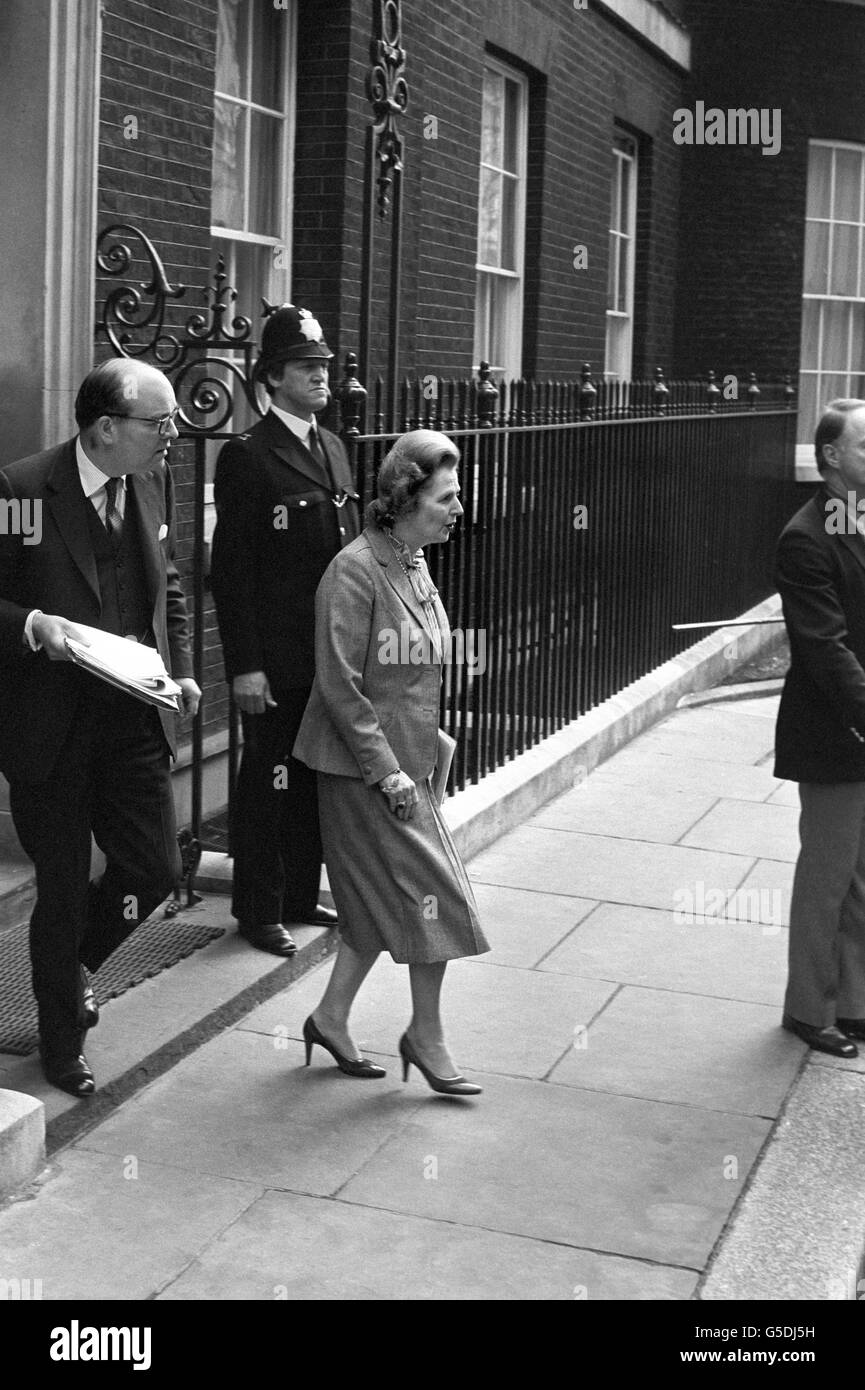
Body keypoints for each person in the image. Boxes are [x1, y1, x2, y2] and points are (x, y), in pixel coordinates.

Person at [0, 359, 201, 1096]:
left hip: (130, 721)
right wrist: (31, 623)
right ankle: (60, 1038)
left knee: (154, 869)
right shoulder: (20, 492)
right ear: (106, 426)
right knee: (58, 885)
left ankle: (71, 965)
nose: (174, 434)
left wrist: (179, 668)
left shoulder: (150, 480)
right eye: (161, 421)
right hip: (49, 729)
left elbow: (168, 584)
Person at [293, 429, 489, 1096]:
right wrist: (390, 770)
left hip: (408, 761)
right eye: (447, 496)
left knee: (378, 905)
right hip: (362, 773)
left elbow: (416, 665)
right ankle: (425, 1038)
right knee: (437, 899)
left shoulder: (410, 559)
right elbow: (339, 685)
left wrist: (433, 742)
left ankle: (329, 1017)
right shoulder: (353, 570)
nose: (458, 507)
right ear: (406, 496)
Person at [210, 305, 360, 957]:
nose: (321, 377)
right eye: (306, 367)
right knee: (267, 781)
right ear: (271, 378)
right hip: (274, 658)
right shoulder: (247, 457)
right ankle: (258, 908)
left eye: (323, 365)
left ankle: (300, 894)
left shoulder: (331, 447)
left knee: (310, 779)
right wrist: (244, 666)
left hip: (328, 655)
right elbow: (232, 573)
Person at [775, 397, 865, 1058]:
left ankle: (853, 1003)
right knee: (826, 878)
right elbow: (824, 648)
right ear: (831, 456)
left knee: (860, 877)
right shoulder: (803, 538)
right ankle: (808, 1009)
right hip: (833, 733)